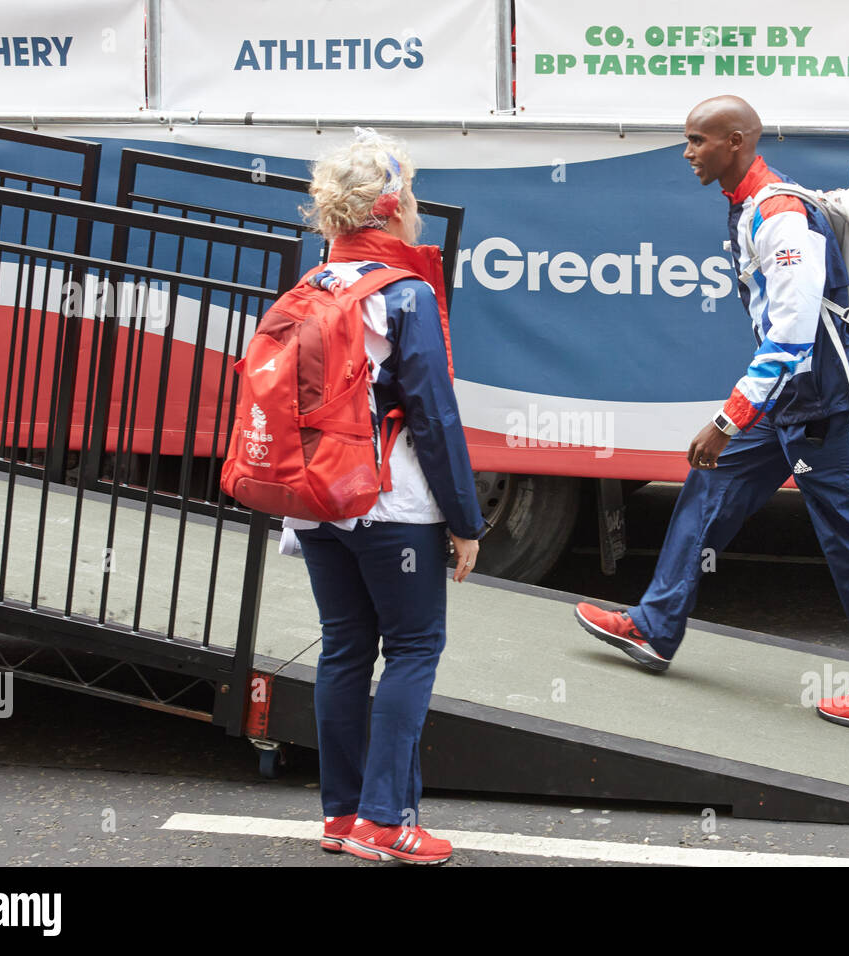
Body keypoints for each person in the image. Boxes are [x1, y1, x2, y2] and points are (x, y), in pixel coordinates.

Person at [574, 96, 849, 732]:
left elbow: (791, 339)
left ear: (735, 142)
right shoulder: (749, 205)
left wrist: (726, 421)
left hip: (816, 404)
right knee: (707, 487)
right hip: (790, 400)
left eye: (697, 141)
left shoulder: (780, 218)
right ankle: (655, 627)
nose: (687, 152)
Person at [286, 128, 485, 863]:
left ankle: (342, 818)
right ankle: (386, 821)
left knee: (344, 646)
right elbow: (433, 415)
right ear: (393, 208)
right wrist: (467, 520)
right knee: (412, 648)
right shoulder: (404, 294)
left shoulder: (313, 285)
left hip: (313, 499)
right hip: (389, 502)